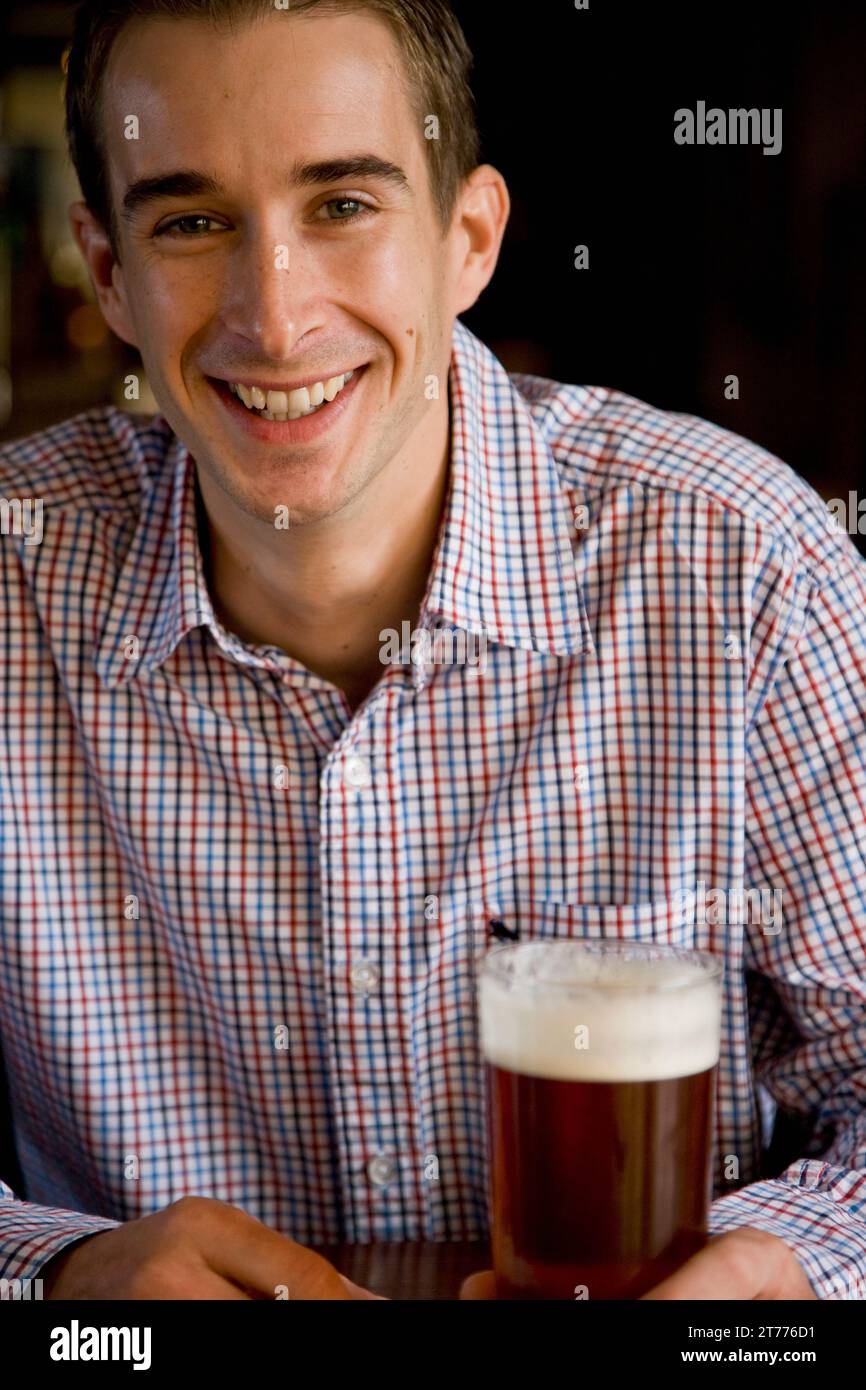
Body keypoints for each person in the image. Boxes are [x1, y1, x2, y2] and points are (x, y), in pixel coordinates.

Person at [0, 0, 862, 1302]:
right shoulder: (12, 583)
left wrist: (784, 1271)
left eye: (340, 203)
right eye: (189, 221)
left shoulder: (742, 567)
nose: (274, 316)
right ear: (108, 273)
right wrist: (57, 1277)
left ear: (467, 238)